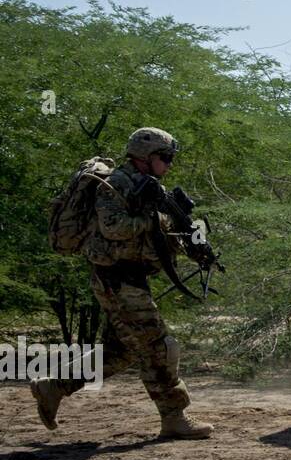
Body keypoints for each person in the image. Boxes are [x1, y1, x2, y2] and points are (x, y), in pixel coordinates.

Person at [31, 127, 214, 439]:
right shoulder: (114, 184)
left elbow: (164, 234)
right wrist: (151, 219)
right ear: (147, 157)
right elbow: (114, 228)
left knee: (123, 352)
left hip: (130, 280)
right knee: (158, 346)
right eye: (165, 158)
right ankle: (174, 416)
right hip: (116, 280)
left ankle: (55, 386)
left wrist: (194, 242)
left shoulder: (151, 188)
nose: (169, 164)